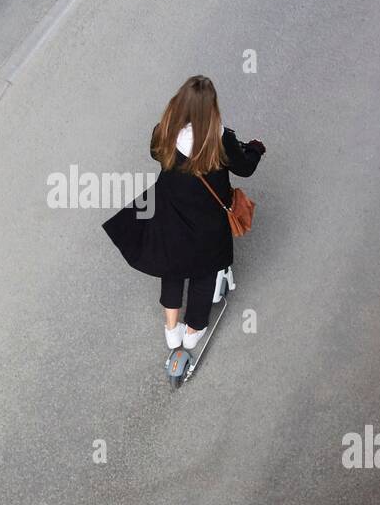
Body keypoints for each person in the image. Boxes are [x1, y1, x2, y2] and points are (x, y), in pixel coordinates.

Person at [103, 75, 265, 349]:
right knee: (204, 271)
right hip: (207, 221)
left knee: (173, 267)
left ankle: (171, 329)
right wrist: (256, 150)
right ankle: (193, 331)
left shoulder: (164, 131)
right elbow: (244, 168)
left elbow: (156, 154)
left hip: (169, 213)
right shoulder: (220, 139)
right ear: (210, 109)